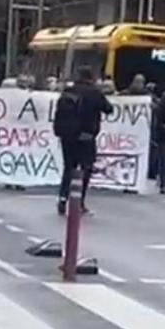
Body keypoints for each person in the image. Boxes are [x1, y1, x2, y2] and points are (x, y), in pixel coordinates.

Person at [54, 66, 114, 216]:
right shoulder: (94, 92)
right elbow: (108, 109)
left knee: (69, 167)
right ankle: (79, 202)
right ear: (91, 77)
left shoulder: (69, 91)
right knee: (85, 168)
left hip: (67, 135)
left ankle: (63, 198)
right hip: (86, 136)